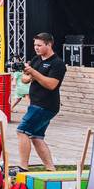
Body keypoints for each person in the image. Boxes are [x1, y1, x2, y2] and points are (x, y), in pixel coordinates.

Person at [16, 32, 66, 173]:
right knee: (36, 137)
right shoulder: (36, 60)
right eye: (35, 45)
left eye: (39, 45)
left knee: (22, 131)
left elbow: (51, 85)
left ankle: (23, 168)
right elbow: (25, 79)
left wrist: (33, 72)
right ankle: (51, 169)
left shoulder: (57, 64)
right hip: (36, 104)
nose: (36, 48)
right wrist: (27, 74)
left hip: (45, 105)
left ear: (49, 44)